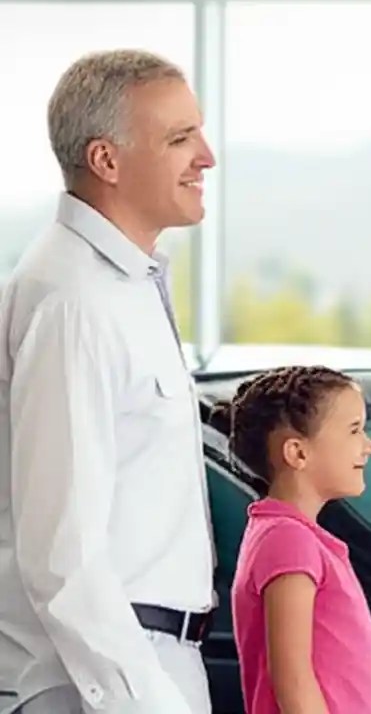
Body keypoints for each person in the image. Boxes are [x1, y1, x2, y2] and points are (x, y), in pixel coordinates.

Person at [0, 50, 217, 714]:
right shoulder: (75, 302)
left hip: (142, 669)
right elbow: (62, 559)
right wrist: (149, 702)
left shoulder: (123, 286)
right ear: (106, 161)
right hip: (102, 687)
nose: (205, 156)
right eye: (179, 138)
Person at [220, 366, 371, 714]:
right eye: (354, 430)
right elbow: (293, 682)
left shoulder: (297, 538)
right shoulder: (288, 541)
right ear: (297, 453)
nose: (369, 446)